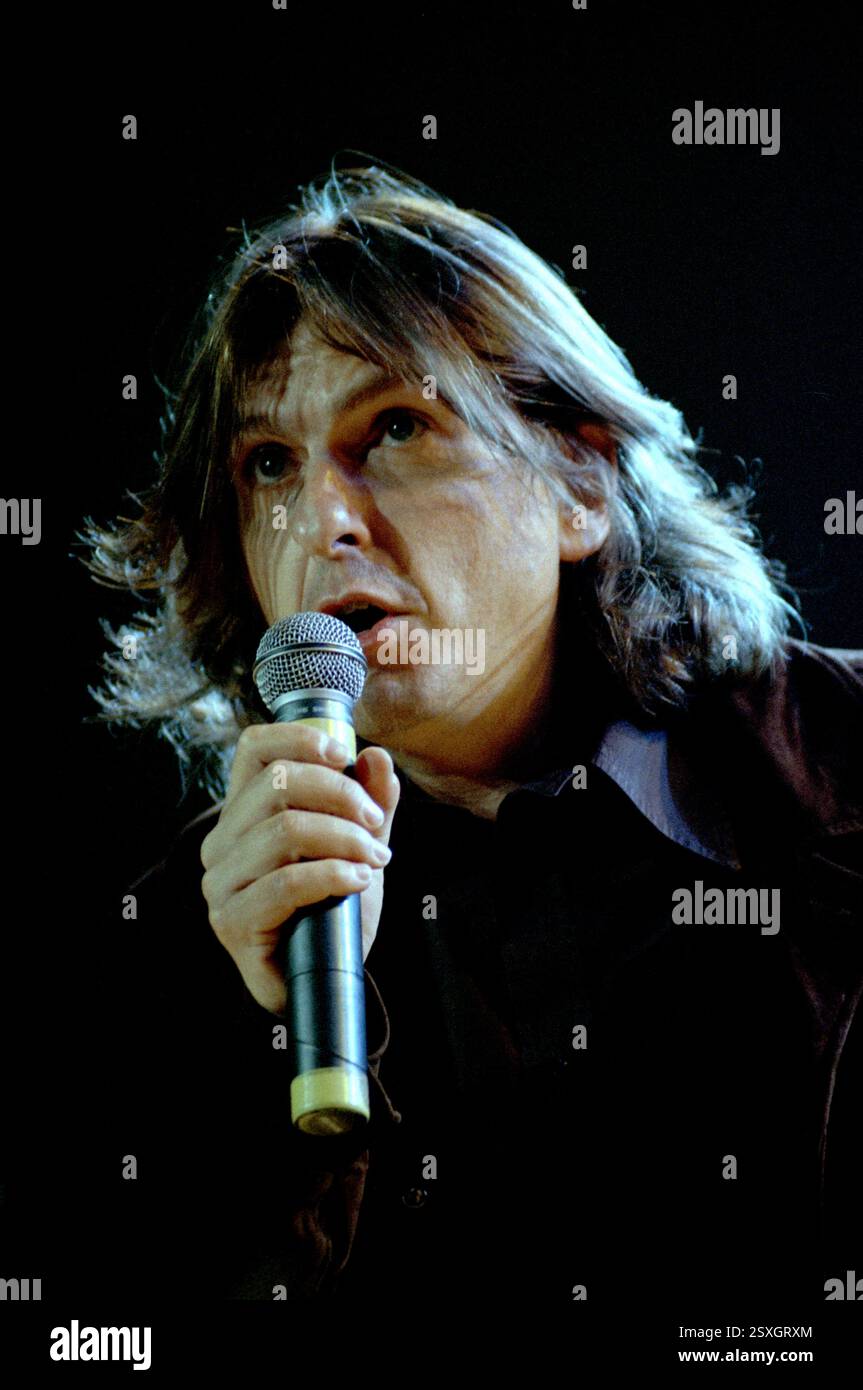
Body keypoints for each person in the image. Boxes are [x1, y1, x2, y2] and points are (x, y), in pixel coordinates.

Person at [79, 161, 862, 1314]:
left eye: (394, 426)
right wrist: (245, 1060)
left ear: (578, 480)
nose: (322, 523)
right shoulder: (183, 949)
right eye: (268, 467)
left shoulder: (844, 764)